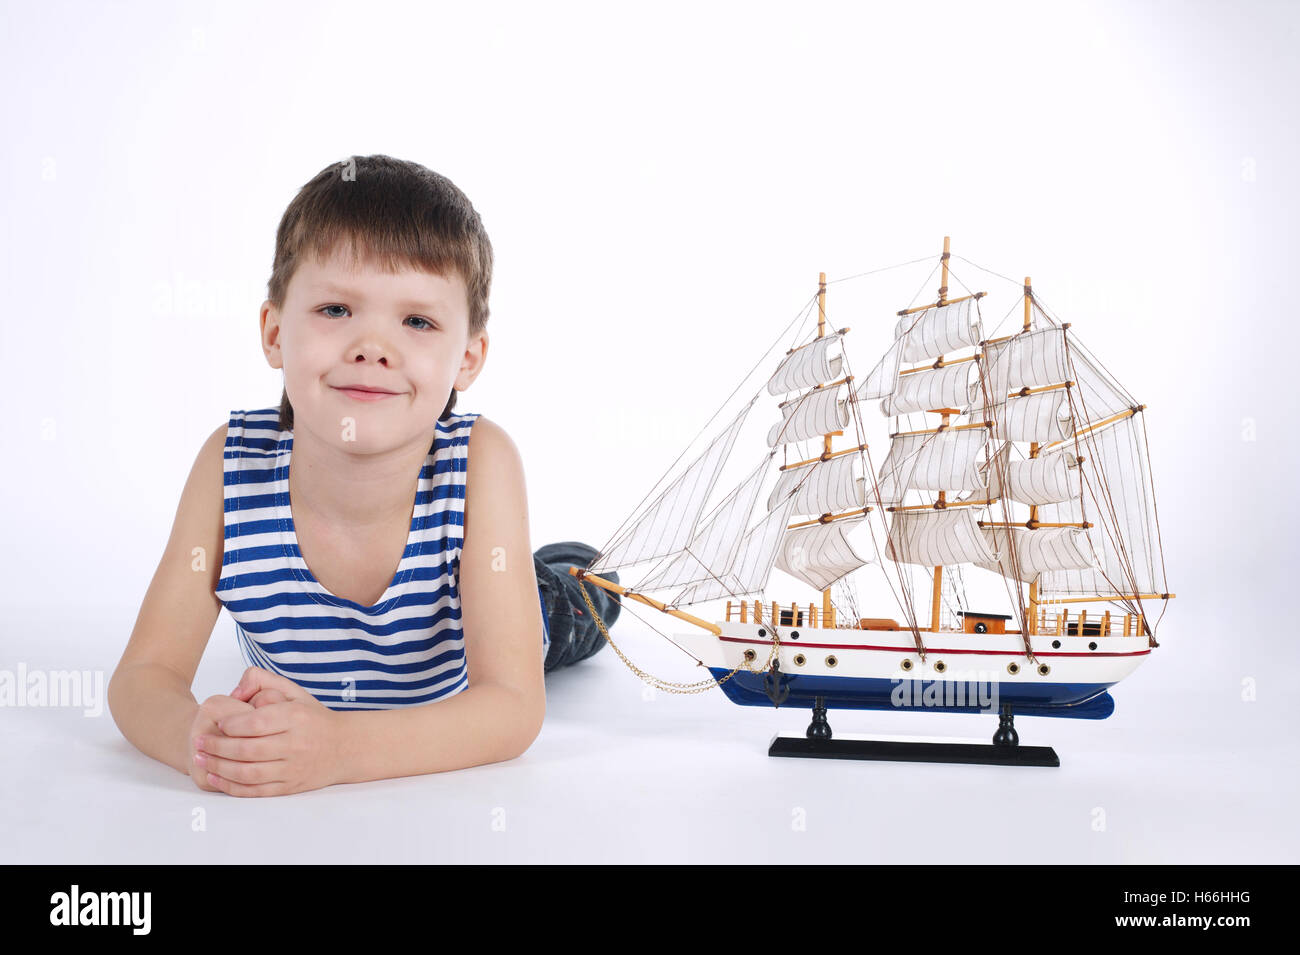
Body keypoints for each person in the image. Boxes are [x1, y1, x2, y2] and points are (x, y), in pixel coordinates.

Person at [107, 155, 622, 797]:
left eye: (417, 322)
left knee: (589, 583)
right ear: (273, 332)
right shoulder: (229, 467)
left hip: (506, 625)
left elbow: (512, 709)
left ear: (467, 358)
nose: (373, 346)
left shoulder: (481, 460)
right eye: (335, 310)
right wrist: (198, 741)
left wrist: (340, 751)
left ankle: (568, 582)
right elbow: (142, 676)